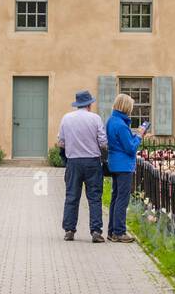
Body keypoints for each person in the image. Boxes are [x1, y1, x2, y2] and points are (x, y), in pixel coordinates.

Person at [57, 89, 107, 243]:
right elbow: (103, 142)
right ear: (89, 105)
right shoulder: (95, 118)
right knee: (94, 197)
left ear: (77, 104)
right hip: (92, 161)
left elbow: (61, 142)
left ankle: (69, 230)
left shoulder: (66, 118)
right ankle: (96, 231)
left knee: (72, 196)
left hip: (73, 162)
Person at [105, 94, 147, 242]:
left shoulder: (111, 121)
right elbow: (130, 148)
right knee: (122, 198)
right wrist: (140, 135)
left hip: (114, 163)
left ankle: (111, 231)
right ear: (126, 107)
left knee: (115, 198)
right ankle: (119, 232)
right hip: (124, 165)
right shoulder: (121, 125)